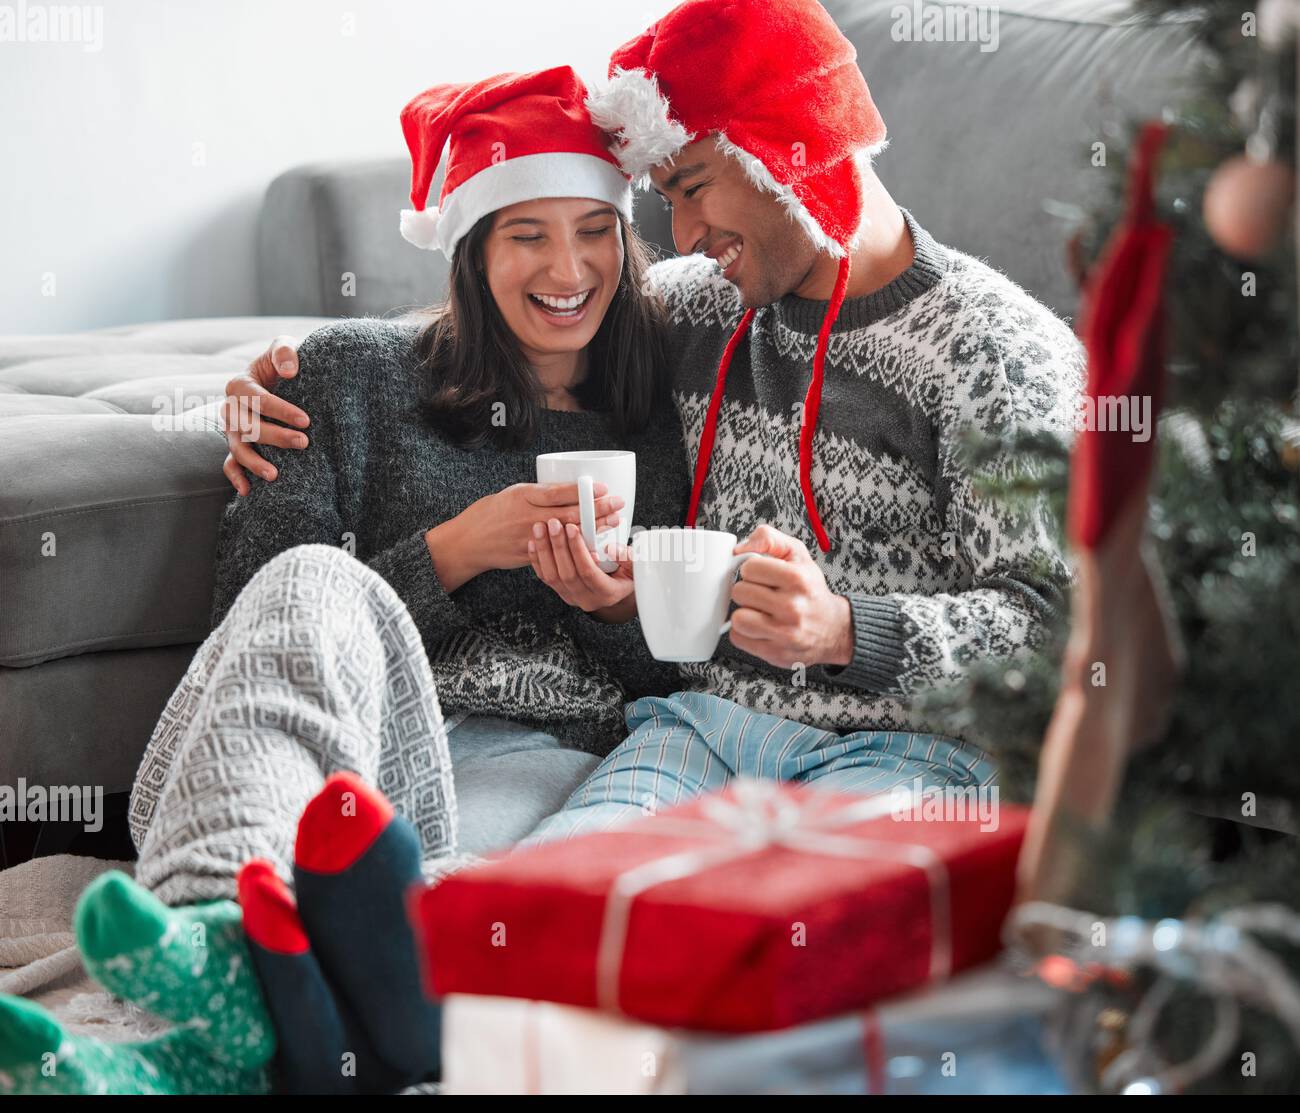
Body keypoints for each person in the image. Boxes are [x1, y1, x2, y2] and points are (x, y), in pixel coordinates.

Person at [227, 0, 1083, 845]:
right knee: (550, 898)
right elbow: (517, 327)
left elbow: (1062, 629)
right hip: (696, 728)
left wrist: (847, 630)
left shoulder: (996, 354)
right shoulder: (701, 309)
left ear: (791, 150)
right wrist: (283, 384)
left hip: (905, 752)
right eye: (664, 199)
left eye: (695, 189)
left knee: (782, 926)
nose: (683, 234)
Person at [0, 66, 690, 1096]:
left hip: (525, 772)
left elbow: (671, 676)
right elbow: (258, 606)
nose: (569, 265)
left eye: (594, 228)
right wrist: (455, 550)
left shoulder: (659, 414)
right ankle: (213, 924)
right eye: (527, 234)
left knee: (412, 946)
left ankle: (189, 1041)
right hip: (317, 750)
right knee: (316, 573)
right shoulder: (349, 375)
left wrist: (613, 605)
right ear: (472, 250)